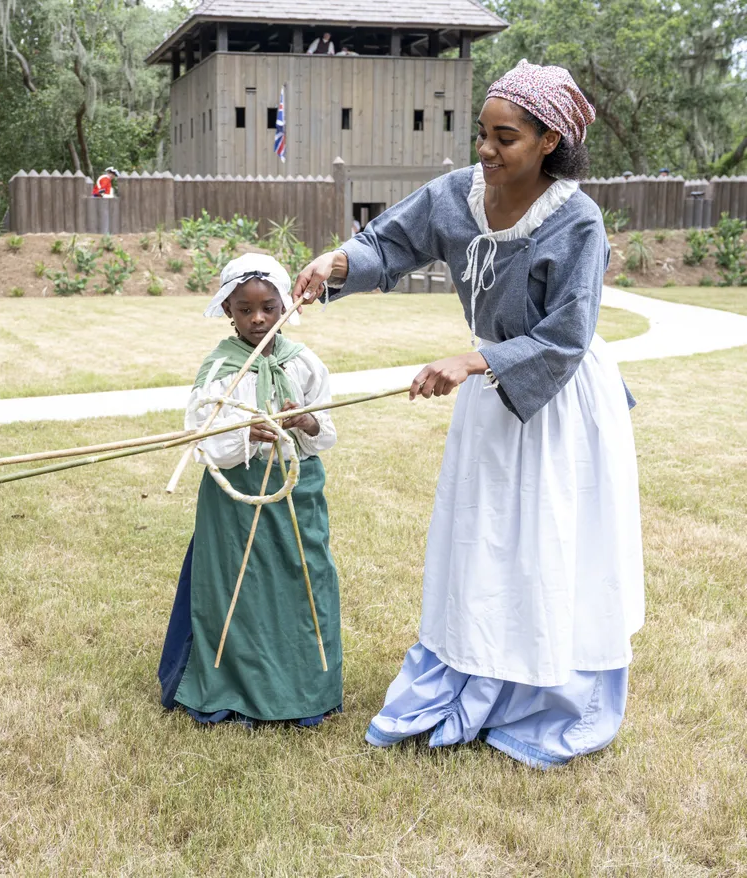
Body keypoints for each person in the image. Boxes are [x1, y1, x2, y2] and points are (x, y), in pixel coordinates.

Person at [291, 60, 644, 768]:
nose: (486, 150)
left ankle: (548, 694)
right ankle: (471, 675)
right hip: (491, 392)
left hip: (556, 400)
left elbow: (567, 336)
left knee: (542, 542)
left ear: (550, 142)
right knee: (482, 539)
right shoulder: (459, 195)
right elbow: (392, 241)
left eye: (505, 137)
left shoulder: (576, 220)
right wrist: (336, 262)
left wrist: (474, 362)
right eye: (481, 133)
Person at [158, 253, 342, 726]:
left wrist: (304, 420)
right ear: (228, 311)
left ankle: (303, 685)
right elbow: (202, 436)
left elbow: (326, 431)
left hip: (295, 492)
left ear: (287, 307)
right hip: (236, 499)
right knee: (236, 585)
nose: (257, 318)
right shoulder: (220, 370)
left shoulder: (304, 364)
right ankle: (232, 685)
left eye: (268, 307)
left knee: (303, 576)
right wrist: (244, 434)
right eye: (245, 309)